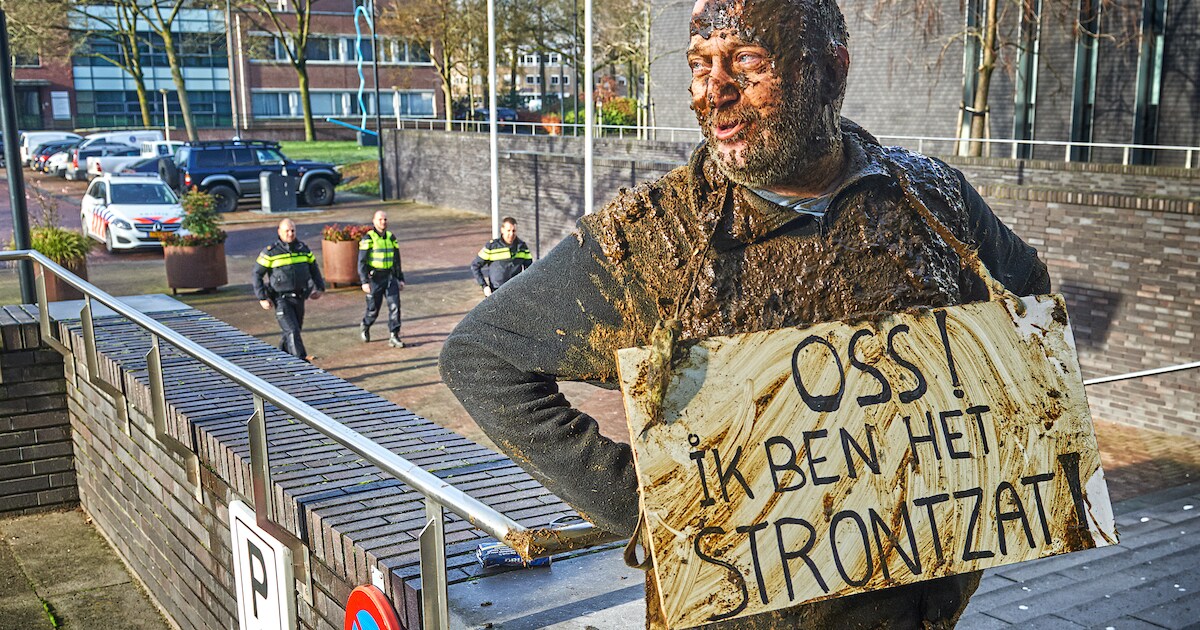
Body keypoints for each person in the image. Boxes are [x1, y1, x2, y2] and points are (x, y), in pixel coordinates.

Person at [440, 0, 1050, 627]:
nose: (715, 92)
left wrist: (985, 452)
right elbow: (483, 358)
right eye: (700, 66)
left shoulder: (929, 198)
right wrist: (652, 510)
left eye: (748, 61)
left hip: (914, 606)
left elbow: (1027, 297)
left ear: (830, 72)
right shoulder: (653, 238)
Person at [252, 219, 324, 360]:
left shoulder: (303, 249)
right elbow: (257, 274)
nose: (290, 234)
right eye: (287, 231)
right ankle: (303, 365)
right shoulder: (271, 252)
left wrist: (319, 287)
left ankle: (282, 360)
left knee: (291, 332)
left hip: (299, 297)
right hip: (281, 298)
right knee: (292, 331)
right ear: (279, 232)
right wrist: (262, 297)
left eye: (293, 230)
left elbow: (314, 269)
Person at [359, 210, 406, 348]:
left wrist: (400, 278)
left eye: (385, 219)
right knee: (373, 309)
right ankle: (366, 324)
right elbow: (361, 261)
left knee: (395, 306)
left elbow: (397, 260)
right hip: (375, 278)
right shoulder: (368, 238)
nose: (383, 222)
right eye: (380, 219)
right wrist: (364, 281)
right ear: (374, 221)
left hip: (390, 277)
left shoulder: (391, 238)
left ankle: (394, 335)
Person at [469, 216, 533, 296]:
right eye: (508, 230)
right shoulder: (492, 246)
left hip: (516, 293)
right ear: (502, 230)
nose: (511, 234)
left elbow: (530, 268)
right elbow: (475, 266)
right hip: (496, 293)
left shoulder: (522, 247)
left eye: (514, 231)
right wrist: (484, 286)